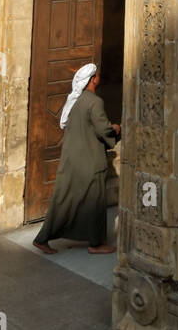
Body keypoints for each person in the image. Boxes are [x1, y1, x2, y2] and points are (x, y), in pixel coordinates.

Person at [33, 61, 121, 255]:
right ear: (92, 80)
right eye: (97, 75)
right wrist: (116, 129)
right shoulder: (94, 102)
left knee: (65, 200)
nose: (99, 78)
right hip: (90, 161)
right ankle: (96, 243)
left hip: (72, 160)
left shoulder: (76, 101)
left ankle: (42, 238)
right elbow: (103, 129)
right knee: (96, 201)